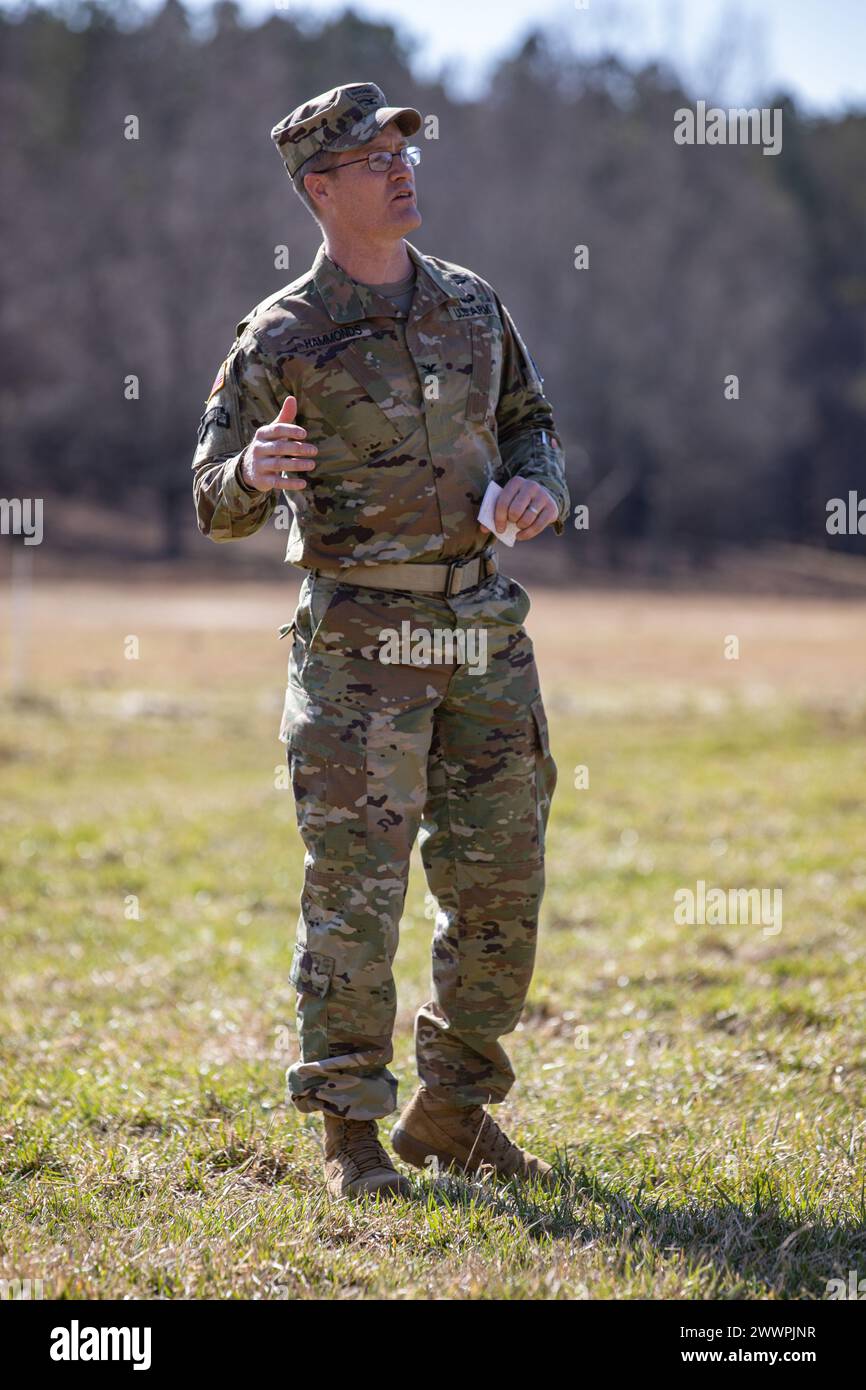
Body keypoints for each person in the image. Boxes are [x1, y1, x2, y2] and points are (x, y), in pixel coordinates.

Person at [192, 82, 570, 1200]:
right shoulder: (282, 334)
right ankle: (351, 1134)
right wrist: (253, 473)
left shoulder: (468, 301)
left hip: (481, 631)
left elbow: (531, 427)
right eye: (370, 160)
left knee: (501, 884)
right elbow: (211, 498)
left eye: (403, 149)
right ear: (319, 190)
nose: (400, 168)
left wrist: (539, 489)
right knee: (356, 892)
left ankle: (450, 1110)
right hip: (359, 643)